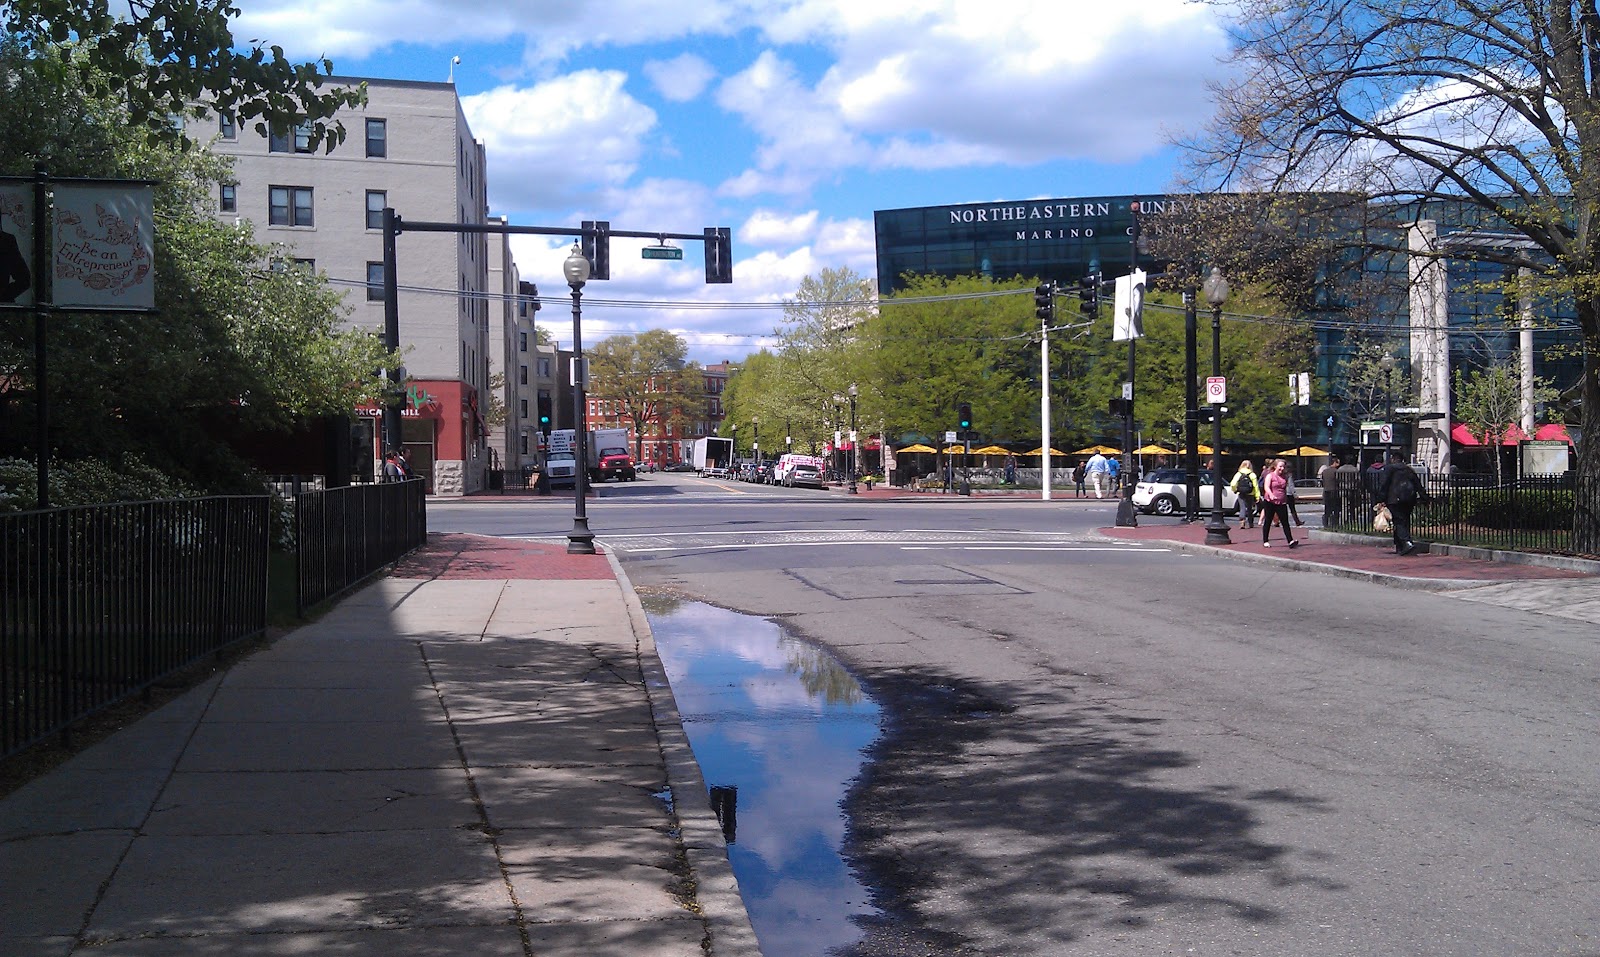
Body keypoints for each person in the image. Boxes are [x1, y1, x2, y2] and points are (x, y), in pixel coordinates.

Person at [1377, 451, 1425, 554]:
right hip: (1409, 499)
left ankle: (1406, 542)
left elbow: (1384, 484)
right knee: (1404, 520)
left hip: (1394, 499)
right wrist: (1424, 497)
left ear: (1393, 459)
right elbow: (1418, 484)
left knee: (1398, 521)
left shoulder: (1389, 469)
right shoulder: (1409, 470)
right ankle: (1400, 545)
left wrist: (1381, 499)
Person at [1258, 458, 1301, 548]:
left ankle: (1290, 541)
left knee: (1285, 522)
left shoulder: (1284, 476)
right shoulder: (1270, 476)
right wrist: (1271, 494)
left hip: (1281, 502)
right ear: (1275, 466)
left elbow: (1285, 489)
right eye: (1280, 466)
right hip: (1270, 501)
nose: (1282, 468)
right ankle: (1265, 540)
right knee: (1268, 520)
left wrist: (1287, 498)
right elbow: (1266, 487)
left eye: (1283, 467)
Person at [1229, 459, 1261, 528]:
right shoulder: (1252, 474)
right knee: (1249, 508)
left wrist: (1235, 490)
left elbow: (1233, 483)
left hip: (1241, 492)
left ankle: (1242, 521)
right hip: (1250, 493)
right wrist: (1257, 496)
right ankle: (1250, 522)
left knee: (1242, 507)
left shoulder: (1238, 474)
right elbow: (1256, 486)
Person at [1319, 456, 1343, 527]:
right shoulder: (1336, 471)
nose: (1338, 464)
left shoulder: (1324, 471)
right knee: (1336, 508)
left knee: (1327, 508)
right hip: (1334, 491)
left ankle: (1326, 523)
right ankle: (1335, 523)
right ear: (1334, 463)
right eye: (1338, 463)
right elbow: (1338, 481)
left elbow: (1323, 481)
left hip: (1326, 491)